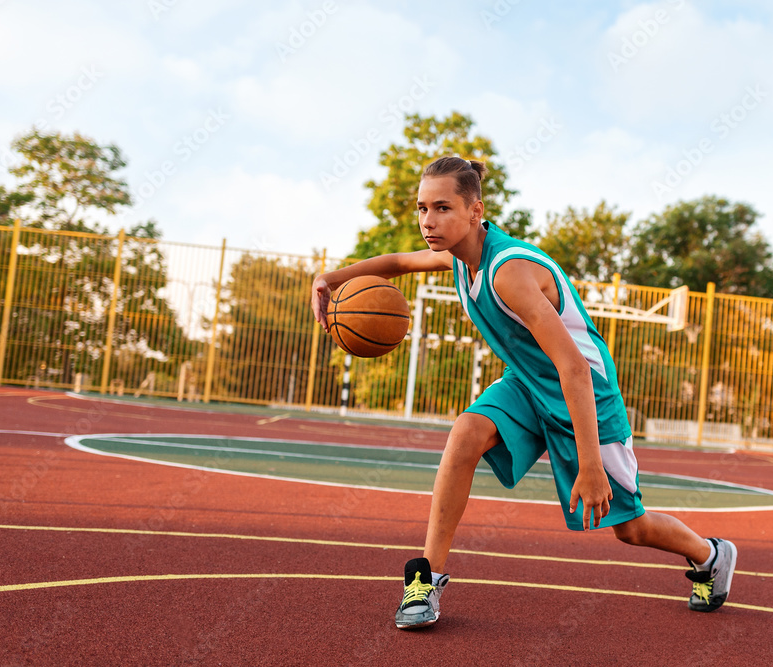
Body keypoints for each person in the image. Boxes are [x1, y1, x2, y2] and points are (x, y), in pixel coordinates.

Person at [311, 156, 737, 630]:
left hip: (584, 392)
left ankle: (710, 555)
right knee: (466, 433)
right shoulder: (458, 256)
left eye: (443, 208)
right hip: (528, 381)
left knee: (629, 528)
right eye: (422, 208)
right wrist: (330, 279)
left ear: (476, 212)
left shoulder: (506, 271)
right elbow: (398, 263)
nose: (429, 221)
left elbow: (573, 366)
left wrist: (591, 465)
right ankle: (424, 580)